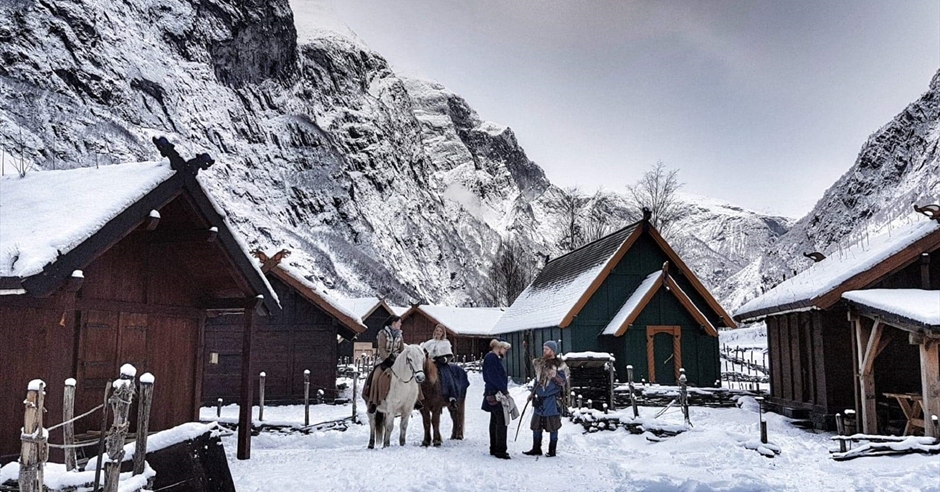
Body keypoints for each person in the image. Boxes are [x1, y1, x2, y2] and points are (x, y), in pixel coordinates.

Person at [523, 340, 568, 457]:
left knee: (553, 425)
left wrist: (555, 376)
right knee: (536, 425)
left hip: (551, 400)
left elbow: (563, 382)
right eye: (544, 348)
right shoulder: (540, 363)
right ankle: (536, 448)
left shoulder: (560, 365)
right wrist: (532, 393)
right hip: (539, 399)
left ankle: (552, 450)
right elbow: (537, 380)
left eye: (546, 349)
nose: (544, 351)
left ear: (552, 351)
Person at [362, 315, 404, 413]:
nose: (401, 324)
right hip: (384, 360)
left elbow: (402, 349)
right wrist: (387, 359)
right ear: (394, 323)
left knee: (411, 374)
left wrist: (401, 358)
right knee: (376, 377)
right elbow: (381, 348)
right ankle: (373, 401)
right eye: (399, 322)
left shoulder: (400, 335)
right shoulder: (382, 333)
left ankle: (416, 399)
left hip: (397, 361)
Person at [482, 338, 512, 459]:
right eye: (505, 349)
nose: (505, 351)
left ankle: (494, 448)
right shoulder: (491, 358)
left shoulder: (492, 358)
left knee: (495, 420)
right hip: (496, 394)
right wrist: (504, 390)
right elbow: (493, 376)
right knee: (501, 421)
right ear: (499, 347)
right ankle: (500, 450)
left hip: (494, 392)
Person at [421, 324, 460, 408]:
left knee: (448, 376)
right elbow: (423, 351)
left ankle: (451, 397)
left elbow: (450, 355)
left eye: (440, 331)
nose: (438, 332)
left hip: (441, 364)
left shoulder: (446, 343)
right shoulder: (429, 343)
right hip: (430, 363)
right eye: (437, 330)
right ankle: (418, 397)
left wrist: (444, 360)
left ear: (443, 333)